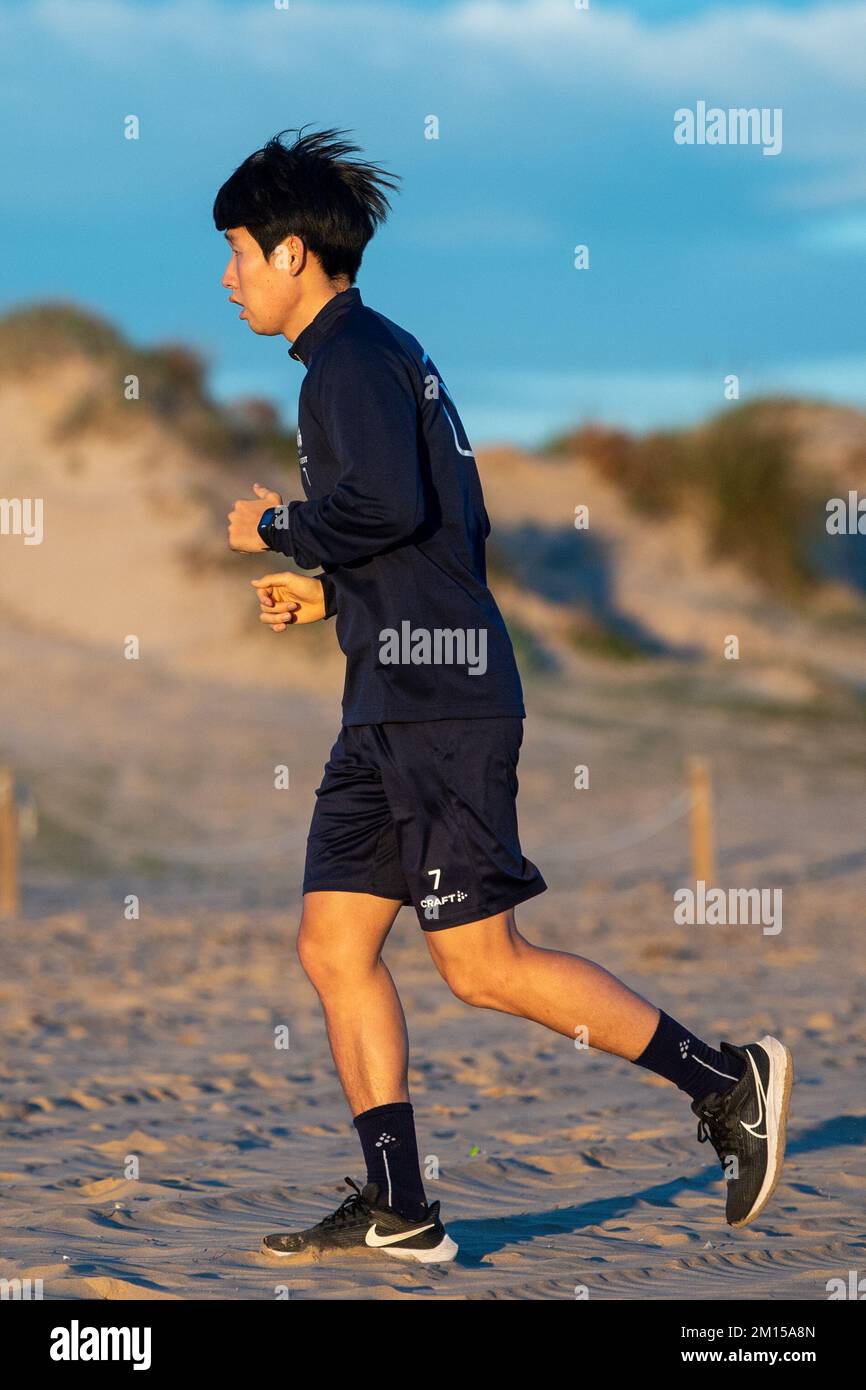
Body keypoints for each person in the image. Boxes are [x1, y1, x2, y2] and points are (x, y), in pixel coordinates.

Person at [214, 126, 793, 1265]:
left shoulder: (349, 358)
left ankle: (725, 1082)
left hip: (439, 703)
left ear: (292, 254)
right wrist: (327, 597)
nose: (225, 277)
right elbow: (439, 532)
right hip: (388, 698)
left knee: (481, 965)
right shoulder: (373, 357)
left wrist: (276, 524)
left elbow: (380, 504)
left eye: (235, 250)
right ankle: (400, 1204)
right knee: (333, 945)